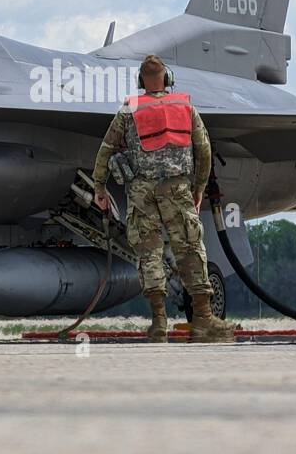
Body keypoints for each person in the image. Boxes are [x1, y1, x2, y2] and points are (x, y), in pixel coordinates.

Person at [91, 55, 237, 343]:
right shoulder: (185, 106)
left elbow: (106, 150)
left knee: (149, 254)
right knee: (190, 250)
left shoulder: (129, 110)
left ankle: (159, 323)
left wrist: (99, 188)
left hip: (141, 192)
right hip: (177, 190)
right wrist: (199, 187)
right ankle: (204, 321)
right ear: (167, 80)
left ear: (140, 82)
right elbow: (204, 149)